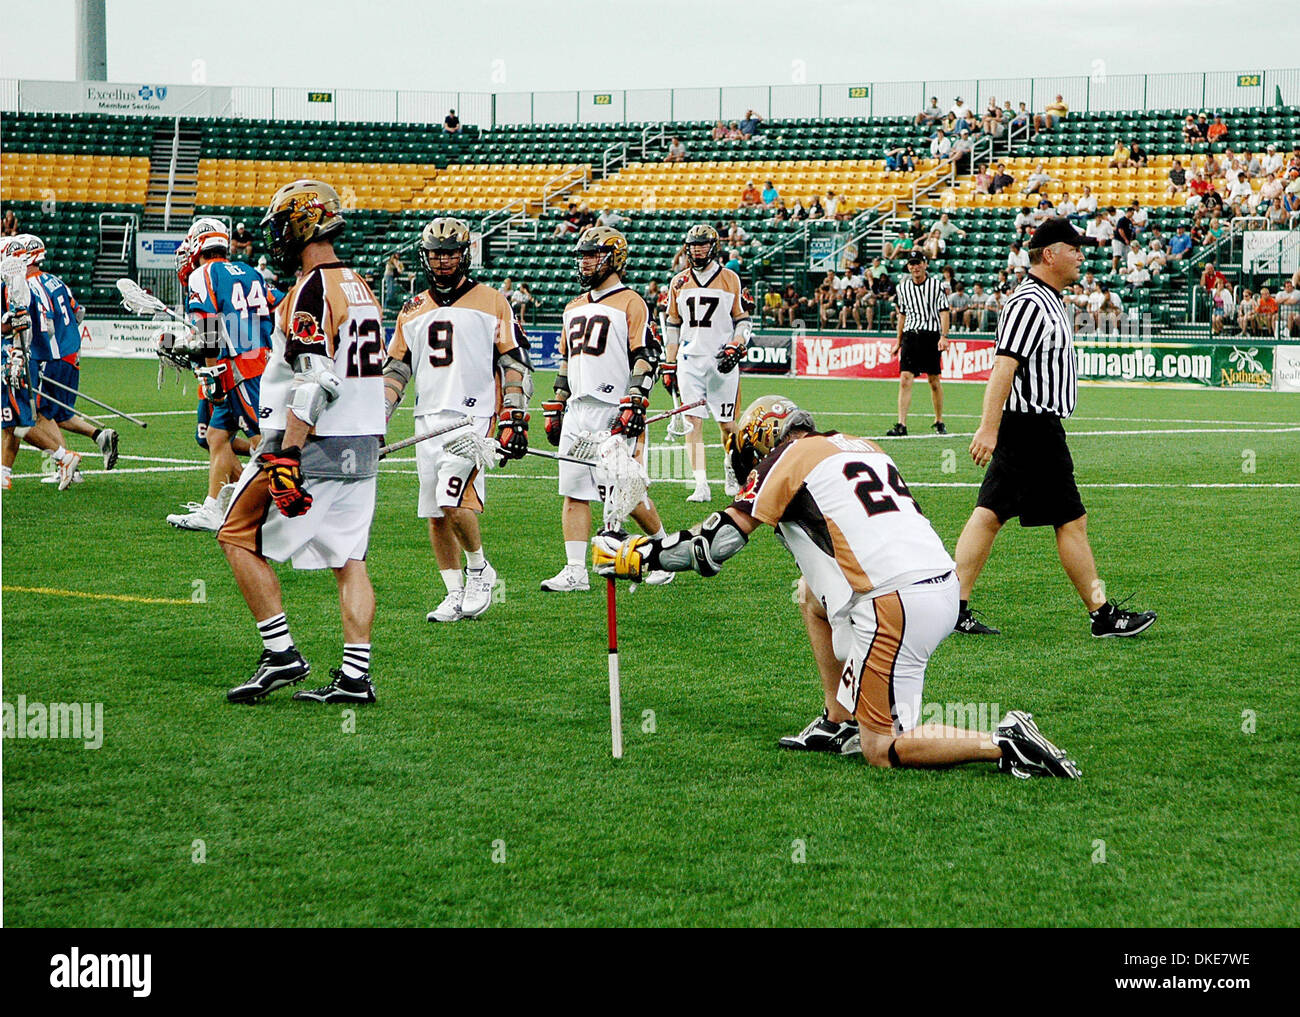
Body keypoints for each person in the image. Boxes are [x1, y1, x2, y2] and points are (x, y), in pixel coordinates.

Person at [592, 395, 1082, 779]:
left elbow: (714, 547)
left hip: (896, 604)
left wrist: (640, 555)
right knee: (809, 593)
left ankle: (1003, 742)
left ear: (762, 442)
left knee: (883, 747)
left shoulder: (785, 461)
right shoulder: (859, 444)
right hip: (936, 587)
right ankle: (836, 718)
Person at [219, 179, 387, 705]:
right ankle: (355, 677)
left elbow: (316, 378)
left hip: (313, 444)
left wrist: (288, 452)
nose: (279, 236)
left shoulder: (312, 288)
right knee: (349, 557)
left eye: (284, 225)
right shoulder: (361, 285)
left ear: (303, 223)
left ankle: (280, 653)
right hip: (362, 446)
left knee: (236, 534)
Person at [952, 218, 1157, 639]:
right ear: (1050, 254)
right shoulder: (1030, 302)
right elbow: (1003, 367)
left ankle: (951, 609)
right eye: (1074, 248)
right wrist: (988, 428)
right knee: (1071, 520)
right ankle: (1102, 614)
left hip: (1029, 426)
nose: (1082, 256)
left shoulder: (1048, 300)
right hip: (1032, 428)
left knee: (989, 514)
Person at [384, 217, 532, 623]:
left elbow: (513, 360)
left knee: (451, 499)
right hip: (427, 419)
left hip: (472, 417)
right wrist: (378, 415)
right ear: (425, 257)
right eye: (436, 254)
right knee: (434, 511)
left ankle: (480, 569)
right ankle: (453, 592)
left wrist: (514, 415)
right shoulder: (412, 309)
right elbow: (396, 369)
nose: (443, 261)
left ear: (465, 255)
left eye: (450, 253)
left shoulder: (491, 300)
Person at [538, 226, 672, 592]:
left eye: (593, 255)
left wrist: (634, 398)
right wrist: (557, 403)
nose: (586, 262)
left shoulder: (631, 302)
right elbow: (566, 361)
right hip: (579, 410)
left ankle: (663, 550)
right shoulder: (573, 307)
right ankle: (575, 571)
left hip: (612, 407)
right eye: (582, 256)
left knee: (621, 492)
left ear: (615, 258)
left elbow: (645, 356)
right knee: (574, 490)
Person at [165, 218, 272, 531]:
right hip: (256, 359)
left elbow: (210, 328)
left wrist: (212, 371)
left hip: (238, 368)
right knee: (215, 435)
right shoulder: (250, 271)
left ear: (199, 245)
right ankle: (214, 509)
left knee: (261, 441)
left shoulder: (203, 274)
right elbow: (273, 305)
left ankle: (293, 505)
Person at [663, 223, 753, 501]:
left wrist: (736, 346)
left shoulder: (730, 279)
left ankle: (732, 465)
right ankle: (700, 484)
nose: (697, 250)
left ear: (713, 247)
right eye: (693, 246)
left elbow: (742, 319)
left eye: (702, 245)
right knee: (693, 423)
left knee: (727, 424)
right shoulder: (678, 281)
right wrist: (669, 362)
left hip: (721, 361)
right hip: (690, 361)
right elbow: (673, 324)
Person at [20, 235, 119, 477]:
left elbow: (46, 323)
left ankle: (67, 466)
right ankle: (99, 435)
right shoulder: (56, 282)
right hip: (72, 353)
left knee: (41, 416)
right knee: (59, 413)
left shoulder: (30, 286)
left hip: (52, 356)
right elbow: (78, 312)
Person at [1, 237, 77, 492]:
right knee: (12, 420)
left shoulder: (19, 286)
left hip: (21, 356)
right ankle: (4, 473)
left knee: (22, 421)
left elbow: (21, 324)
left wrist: (21, 354)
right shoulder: (40, 282)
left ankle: (64, 458)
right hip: (34, 355)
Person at [886, 253, 949, 437]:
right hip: (911, 336)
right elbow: (902, 315)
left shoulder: (936, 286)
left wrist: (943, 336)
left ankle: (939, 420)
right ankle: (901, 424)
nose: (915, 267)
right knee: (905, 378)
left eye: (918, 263)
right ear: (908, 267)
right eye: (912, 264)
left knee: (933, 380)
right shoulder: (903, 288)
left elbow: (944, 312)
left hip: (930, 336)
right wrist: (898, 341)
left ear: (925, 265)